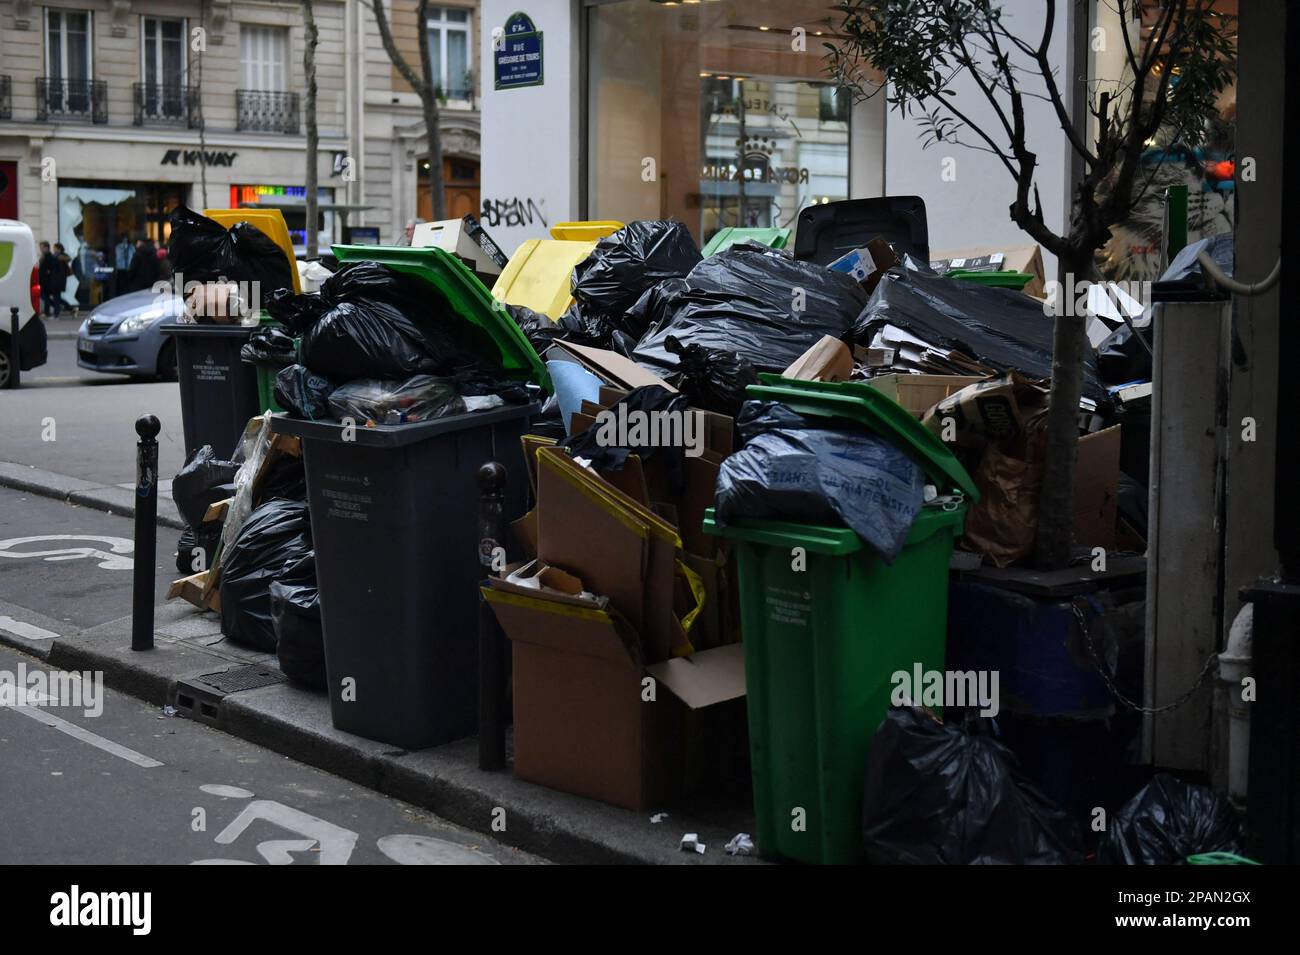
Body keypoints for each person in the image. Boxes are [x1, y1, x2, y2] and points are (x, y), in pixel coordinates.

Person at [38, 241, 66, 317]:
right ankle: (51, 311)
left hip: (50, 281)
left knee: (52, 297)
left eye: (42, 247)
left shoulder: (52, 257)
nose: (40, 249)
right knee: (47, 297)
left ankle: (58, 310)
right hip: (48, 281)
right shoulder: (46, 256)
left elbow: (49, 270)